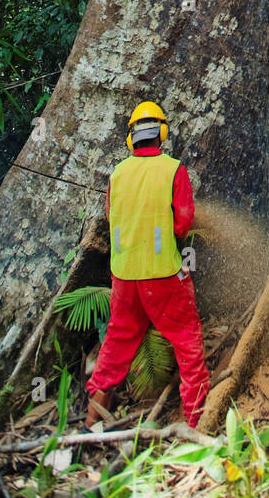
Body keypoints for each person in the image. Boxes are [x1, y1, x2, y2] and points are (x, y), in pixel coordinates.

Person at [84, 101, 210, 430]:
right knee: (187, 341)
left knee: (117, 341)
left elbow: (112, 218)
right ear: (161, 134)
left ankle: (92, 418)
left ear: (131, 139)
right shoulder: (173, 170)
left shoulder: (117, 174)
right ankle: (196, 421)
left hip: (125, 278)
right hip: (164, 276)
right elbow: (182, 224)